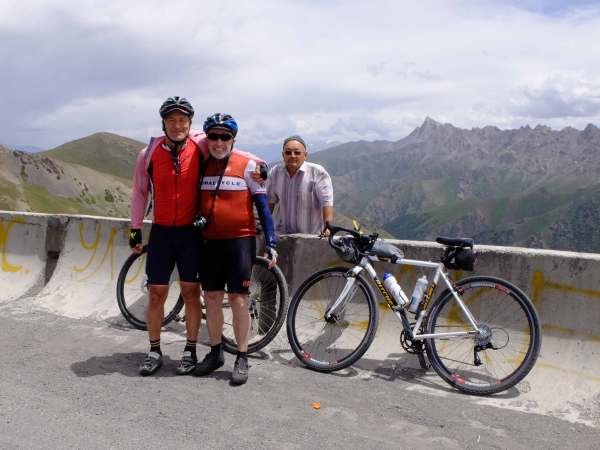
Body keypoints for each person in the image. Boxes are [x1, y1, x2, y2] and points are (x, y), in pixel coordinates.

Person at [193, 113, 277, 385]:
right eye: (213, 136)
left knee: (239, 300)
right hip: (209, 242)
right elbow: (186, 137)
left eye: (224, 137)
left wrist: (272, 243)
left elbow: (263, 208)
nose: (218, 142)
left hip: (239, 241)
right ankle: (216, 352)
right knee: (213, 299)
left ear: (233, 140)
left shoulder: (248, 165)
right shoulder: (201, 164)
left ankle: (242, 356)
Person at [129, 96, 204, 376]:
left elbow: (231, 148)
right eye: (171, 120)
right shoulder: (148, 153)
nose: (177, 125)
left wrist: (258, 167)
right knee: (156, 294)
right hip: (161, 233)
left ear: (190, 123)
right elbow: (139, 191)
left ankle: (190, 350)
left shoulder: (201, 145)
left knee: (191, 292)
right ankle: (154, 350)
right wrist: (135, 227)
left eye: (182, 120)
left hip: (190, 234)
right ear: (163, 123)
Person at [266, 135, 334, 235]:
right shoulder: (275, 172)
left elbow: (327, 202)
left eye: (297, 152)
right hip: (283, 236)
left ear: (305, 155)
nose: (292, 156)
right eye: (288, 152)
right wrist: (263, 224)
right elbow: (270, 202)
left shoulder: (317, 172)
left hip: (311, 237)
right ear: (283, 155)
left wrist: (327, 226)